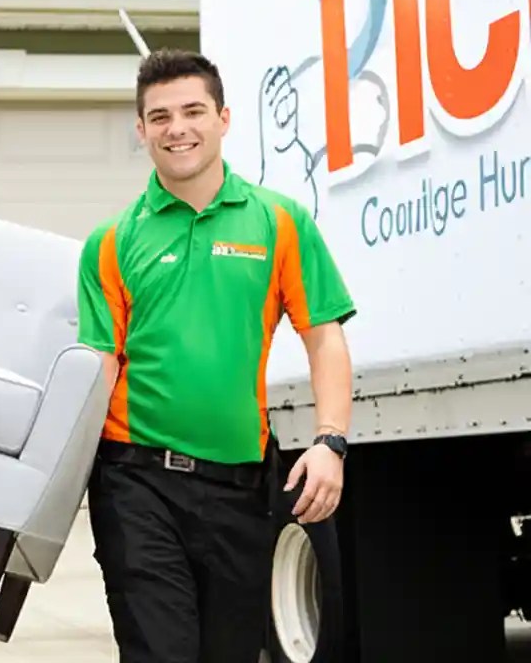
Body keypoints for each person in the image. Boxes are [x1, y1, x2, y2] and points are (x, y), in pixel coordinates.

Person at [77, 49, 356, 662]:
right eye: (160, 117)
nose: (177, 128)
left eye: (193, 111)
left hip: (240, 488)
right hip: (135, 481)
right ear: (141, 130)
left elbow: (324, 335)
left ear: (224, 119)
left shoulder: (279, 222)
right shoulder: (110, 243)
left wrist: (330, 441)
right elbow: (99, 366)